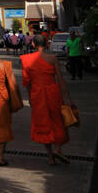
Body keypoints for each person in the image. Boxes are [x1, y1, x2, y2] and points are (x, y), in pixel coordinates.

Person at [20, 32, 74, 166]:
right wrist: (67, 98)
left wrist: (30, 98)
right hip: (53, 92)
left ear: (33, 44)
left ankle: (50, 157)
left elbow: (27, 82)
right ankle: (57, 149)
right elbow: (61, 80)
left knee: (43, 124)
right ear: (46, 44)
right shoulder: (53, 58)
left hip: (37, 93)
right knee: (58, 121)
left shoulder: (26, 59)